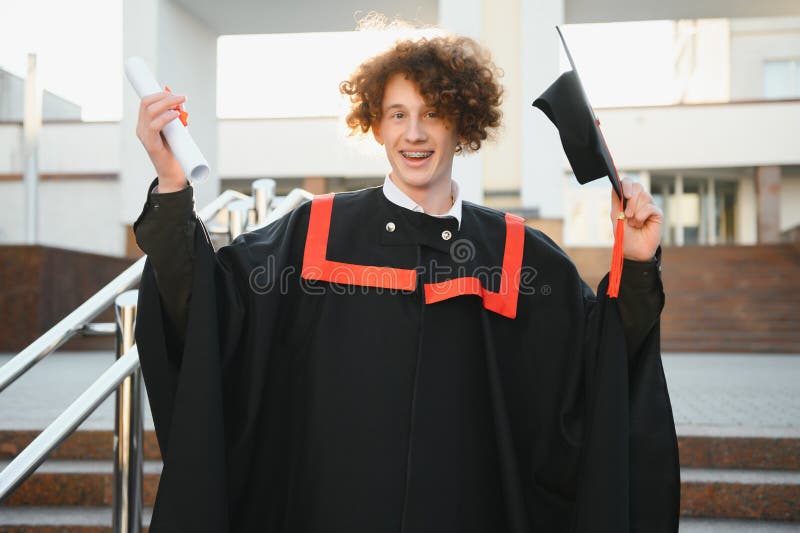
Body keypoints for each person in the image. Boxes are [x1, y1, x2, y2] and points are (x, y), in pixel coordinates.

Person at [133, 33, 679, 533]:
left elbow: (598, 365)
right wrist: (173, 187)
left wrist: (634, 265)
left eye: (433, 113)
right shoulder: (313, 234)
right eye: (397, 114)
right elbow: (212, 310)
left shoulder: (518, 255)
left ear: (462, 126)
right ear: (375, 125)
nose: (414, 134)